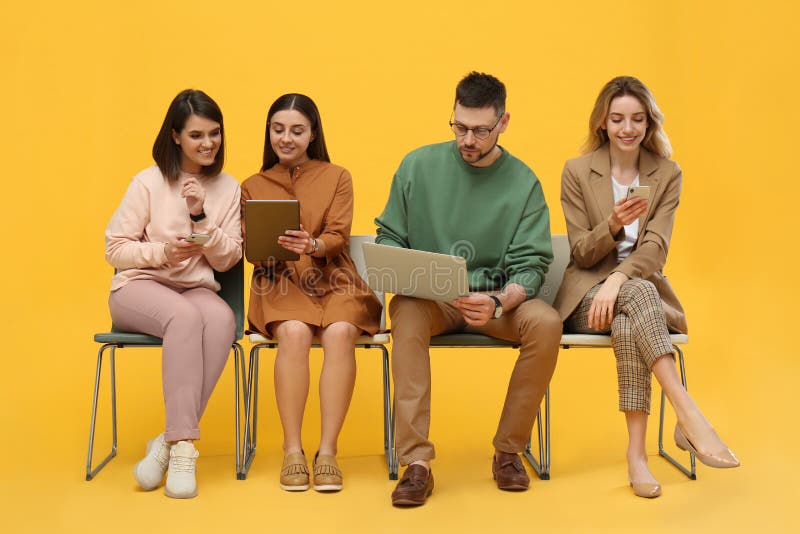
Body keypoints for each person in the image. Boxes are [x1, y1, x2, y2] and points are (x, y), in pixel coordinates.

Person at [375, 72, 562, 507]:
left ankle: (509, 452)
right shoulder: (417, 166)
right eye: (460, 127)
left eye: (480, 130)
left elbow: (533, 265)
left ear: (504, 122)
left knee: (547, 324)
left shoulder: (523, 182)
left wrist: (499, 301)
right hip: (432, 299)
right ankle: (415, 464)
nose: (468, 139)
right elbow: (387, 237)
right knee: (404, 310)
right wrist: (408, 269)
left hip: (496, 301)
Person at [553, 76, 739, 499]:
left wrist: (619, 278)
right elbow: (581, 252)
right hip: (587, 297)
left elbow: (657, 248)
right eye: (617, 118)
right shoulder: (578, 171)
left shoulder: (667, 173)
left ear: (649, 122)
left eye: (637, 118)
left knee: (631, 313)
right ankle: (689, 415)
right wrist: (615, 223)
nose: (627, 128)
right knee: (639, 297)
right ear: (603, 122)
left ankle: (637, 457)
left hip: (636, 299)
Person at [104, 89, 242, 499]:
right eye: (197, 135)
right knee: (183, 317)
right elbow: (115, 249)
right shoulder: (147, 182)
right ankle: (184, 450)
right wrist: (161, 253)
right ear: (175, 136)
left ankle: (168, 441)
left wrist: (201, 216)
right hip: (139, 287)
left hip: (195, 288)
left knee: (220, 319)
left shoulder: (227, 187)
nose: (209, 144)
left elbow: (229, 259)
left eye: (214, 134)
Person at [241, 93, 381, 493]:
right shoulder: (251, 185)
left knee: (339, 333)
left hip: (332, 275)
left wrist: (314, 245)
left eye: (297, 130)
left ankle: (327, 452)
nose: (286, 138)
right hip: (280, 277)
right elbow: (251, 246)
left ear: (313, 133)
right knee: (295, 333)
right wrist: (269, 247)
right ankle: (292, 451)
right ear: (268, 132)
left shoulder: (338, 176)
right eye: (278, 129)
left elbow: (338, 235)